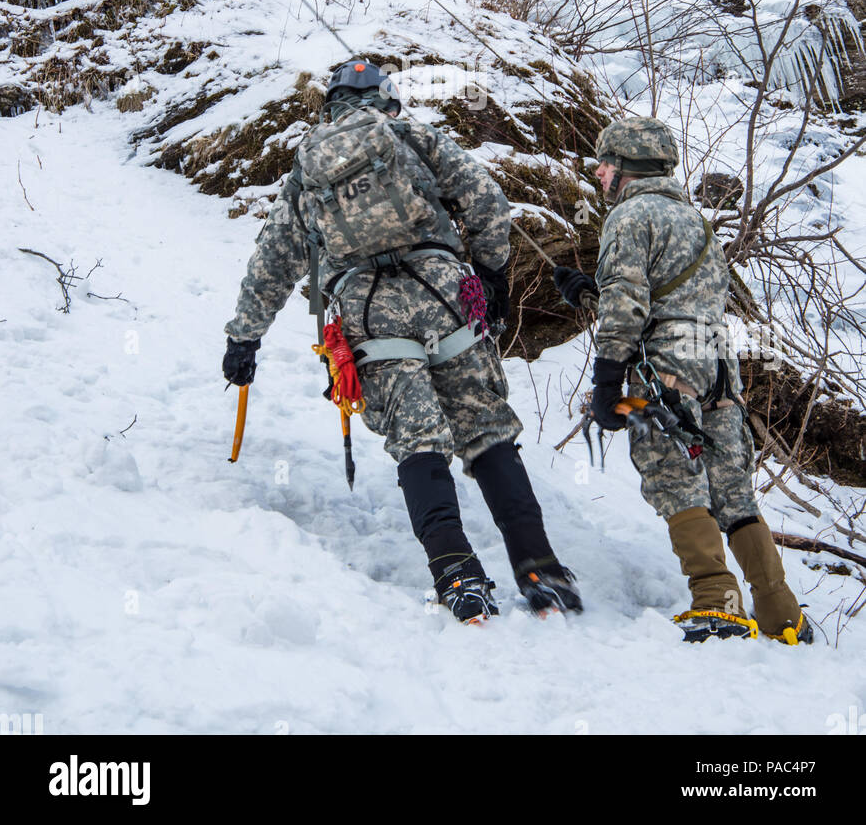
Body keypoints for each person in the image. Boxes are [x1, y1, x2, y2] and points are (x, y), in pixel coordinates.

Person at [223, 59, 581, 623]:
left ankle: (457, 575)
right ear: (386, 100)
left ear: (331, 106)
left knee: (419, 441)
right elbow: (485, 199)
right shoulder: (412, 136)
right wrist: (490, 274)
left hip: (368, 312)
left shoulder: (306, 170)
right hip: (443, 292)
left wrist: (244, 339)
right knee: (486, 429)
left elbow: (272, 261)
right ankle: (541, 568)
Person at [554, 117, 812, 645]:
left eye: (605, 164)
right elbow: (673, 298)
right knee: (733, 488)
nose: (599, 174)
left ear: (626, 167)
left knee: (674, 476)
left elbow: (629, 307)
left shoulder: (628, 217)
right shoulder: (693, 219)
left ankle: (717, 601)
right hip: (718, 363)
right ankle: (782, 614)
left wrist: (606, 383)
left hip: (666, 364)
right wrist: (586, 292)